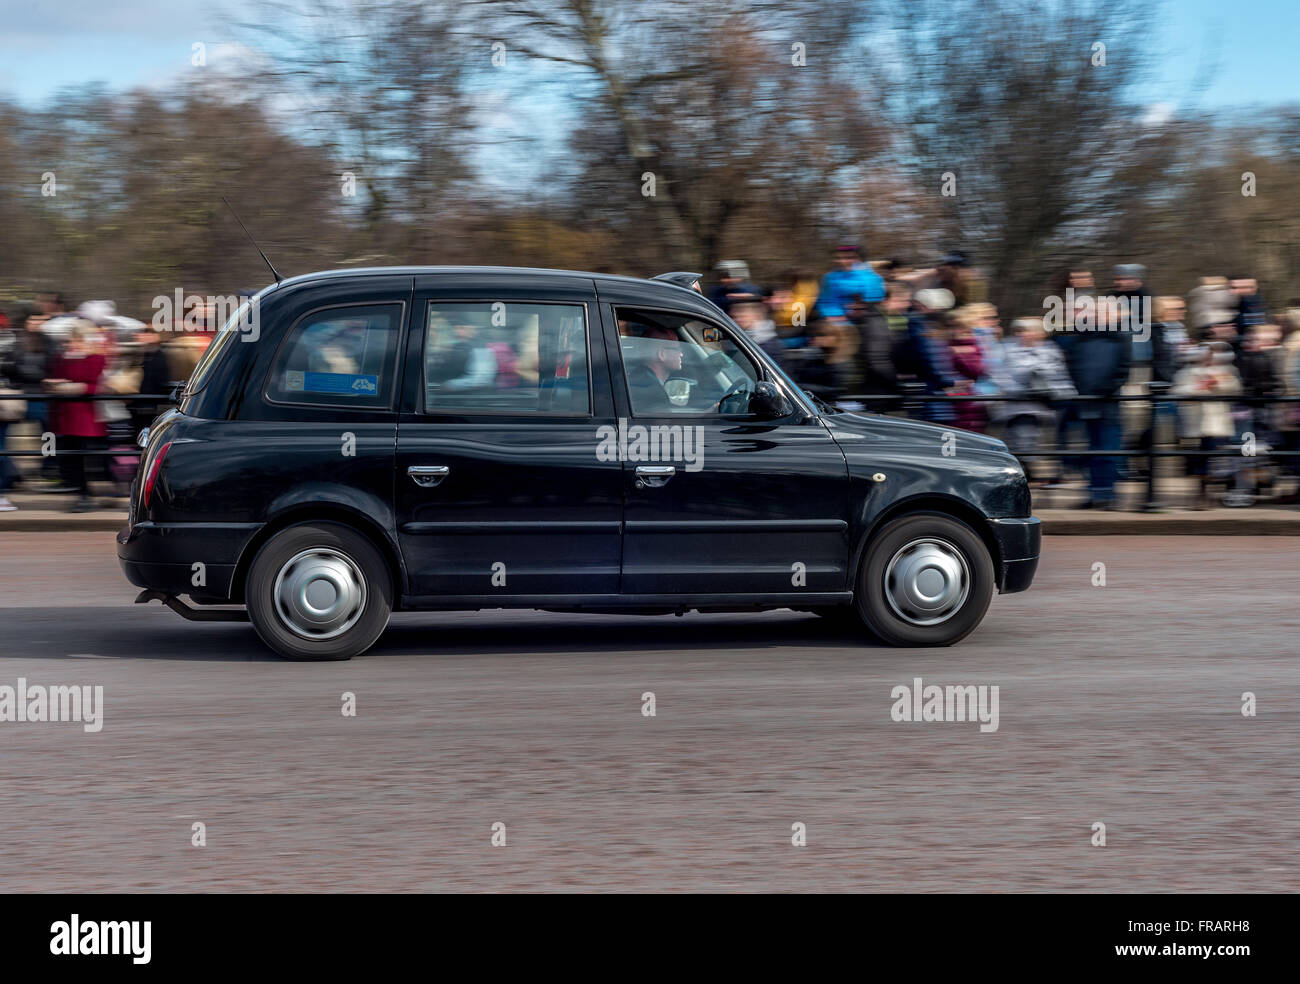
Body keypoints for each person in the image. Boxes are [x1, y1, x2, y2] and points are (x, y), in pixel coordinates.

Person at [1054, 299, 1132, 509]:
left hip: (1107, 402)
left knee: (1107, 449)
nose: (1099, 315)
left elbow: (1122, 370)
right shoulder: (1082, 338)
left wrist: (1103, 391)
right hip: (1086, 400)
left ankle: (1108, 495)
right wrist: (1083, 390)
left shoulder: (1120, 338)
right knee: (1092, 449)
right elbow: (1073, 364)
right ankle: (1096, 493)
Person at [996, 317, 1077, 483]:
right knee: (1021, 439)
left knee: (1048, 439)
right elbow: (999, 375)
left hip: (1047, 403)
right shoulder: (1006, 349)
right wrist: (1024, 385)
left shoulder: (1051, 350)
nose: (1023, 334)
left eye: (1027, 330)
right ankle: (1025, 472)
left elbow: (1060, 375)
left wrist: (1050, 387)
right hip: (1018, 405)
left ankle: (1048, 472)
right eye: (1019, 331)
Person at [43, 320, 107, 513]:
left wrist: (73, 387)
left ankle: (85, 495)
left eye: (72, 340)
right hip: (65, 415)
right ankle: (80, 492)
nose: (69, 344)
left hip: (85, 417)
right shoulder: (62, 357)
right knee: (70, 458)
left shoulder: (94, 358)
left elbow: (97, 386)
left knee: (85, 459)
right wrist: (55, 384)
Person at [1174, 342, 1242, 509]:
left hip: (1217, 422)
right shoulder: (1187, 372)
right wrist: (1197, 387)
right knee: (1198, 460)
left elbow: (1236, 388)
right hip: (1195, 423)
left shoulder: (1227, 371)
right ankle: (1201, 494)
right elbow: (1177, 391)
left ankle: (1215, 493)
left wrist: (1217, 383)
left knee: (1215, 459)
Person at [622, 323, 685, 415]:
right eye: (677, 349)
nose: (681, 354)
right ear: (661, 354)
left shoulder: (638, 379)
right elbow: (670, 427)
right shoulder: (653, 393)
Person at [814, 244, 885, 321]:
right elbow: (826, 302)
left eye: (849, 258)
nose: (842, 261)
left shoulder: (872, 278)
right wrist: (834, 315)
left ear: (859, 259)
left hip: (868, 320)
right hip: (839, 321)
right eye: (838, 258)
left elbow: (875, 300)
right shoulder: (829, 278)